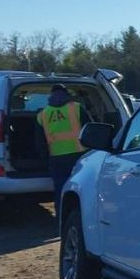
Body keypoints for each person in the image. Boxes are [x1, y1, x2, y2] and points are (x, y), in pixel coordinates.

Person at [36, 84, 89, 218]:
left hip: (57, 158)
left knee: (60, 189)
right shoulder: (76, 108)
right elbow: (91, 130)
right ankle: (83, 216)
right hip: (79, 156)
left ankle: (62, 218)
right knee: (81, 188)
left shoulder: (43, 114)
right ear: (66, 94)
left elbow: (40, 142)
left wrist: (43, 160)